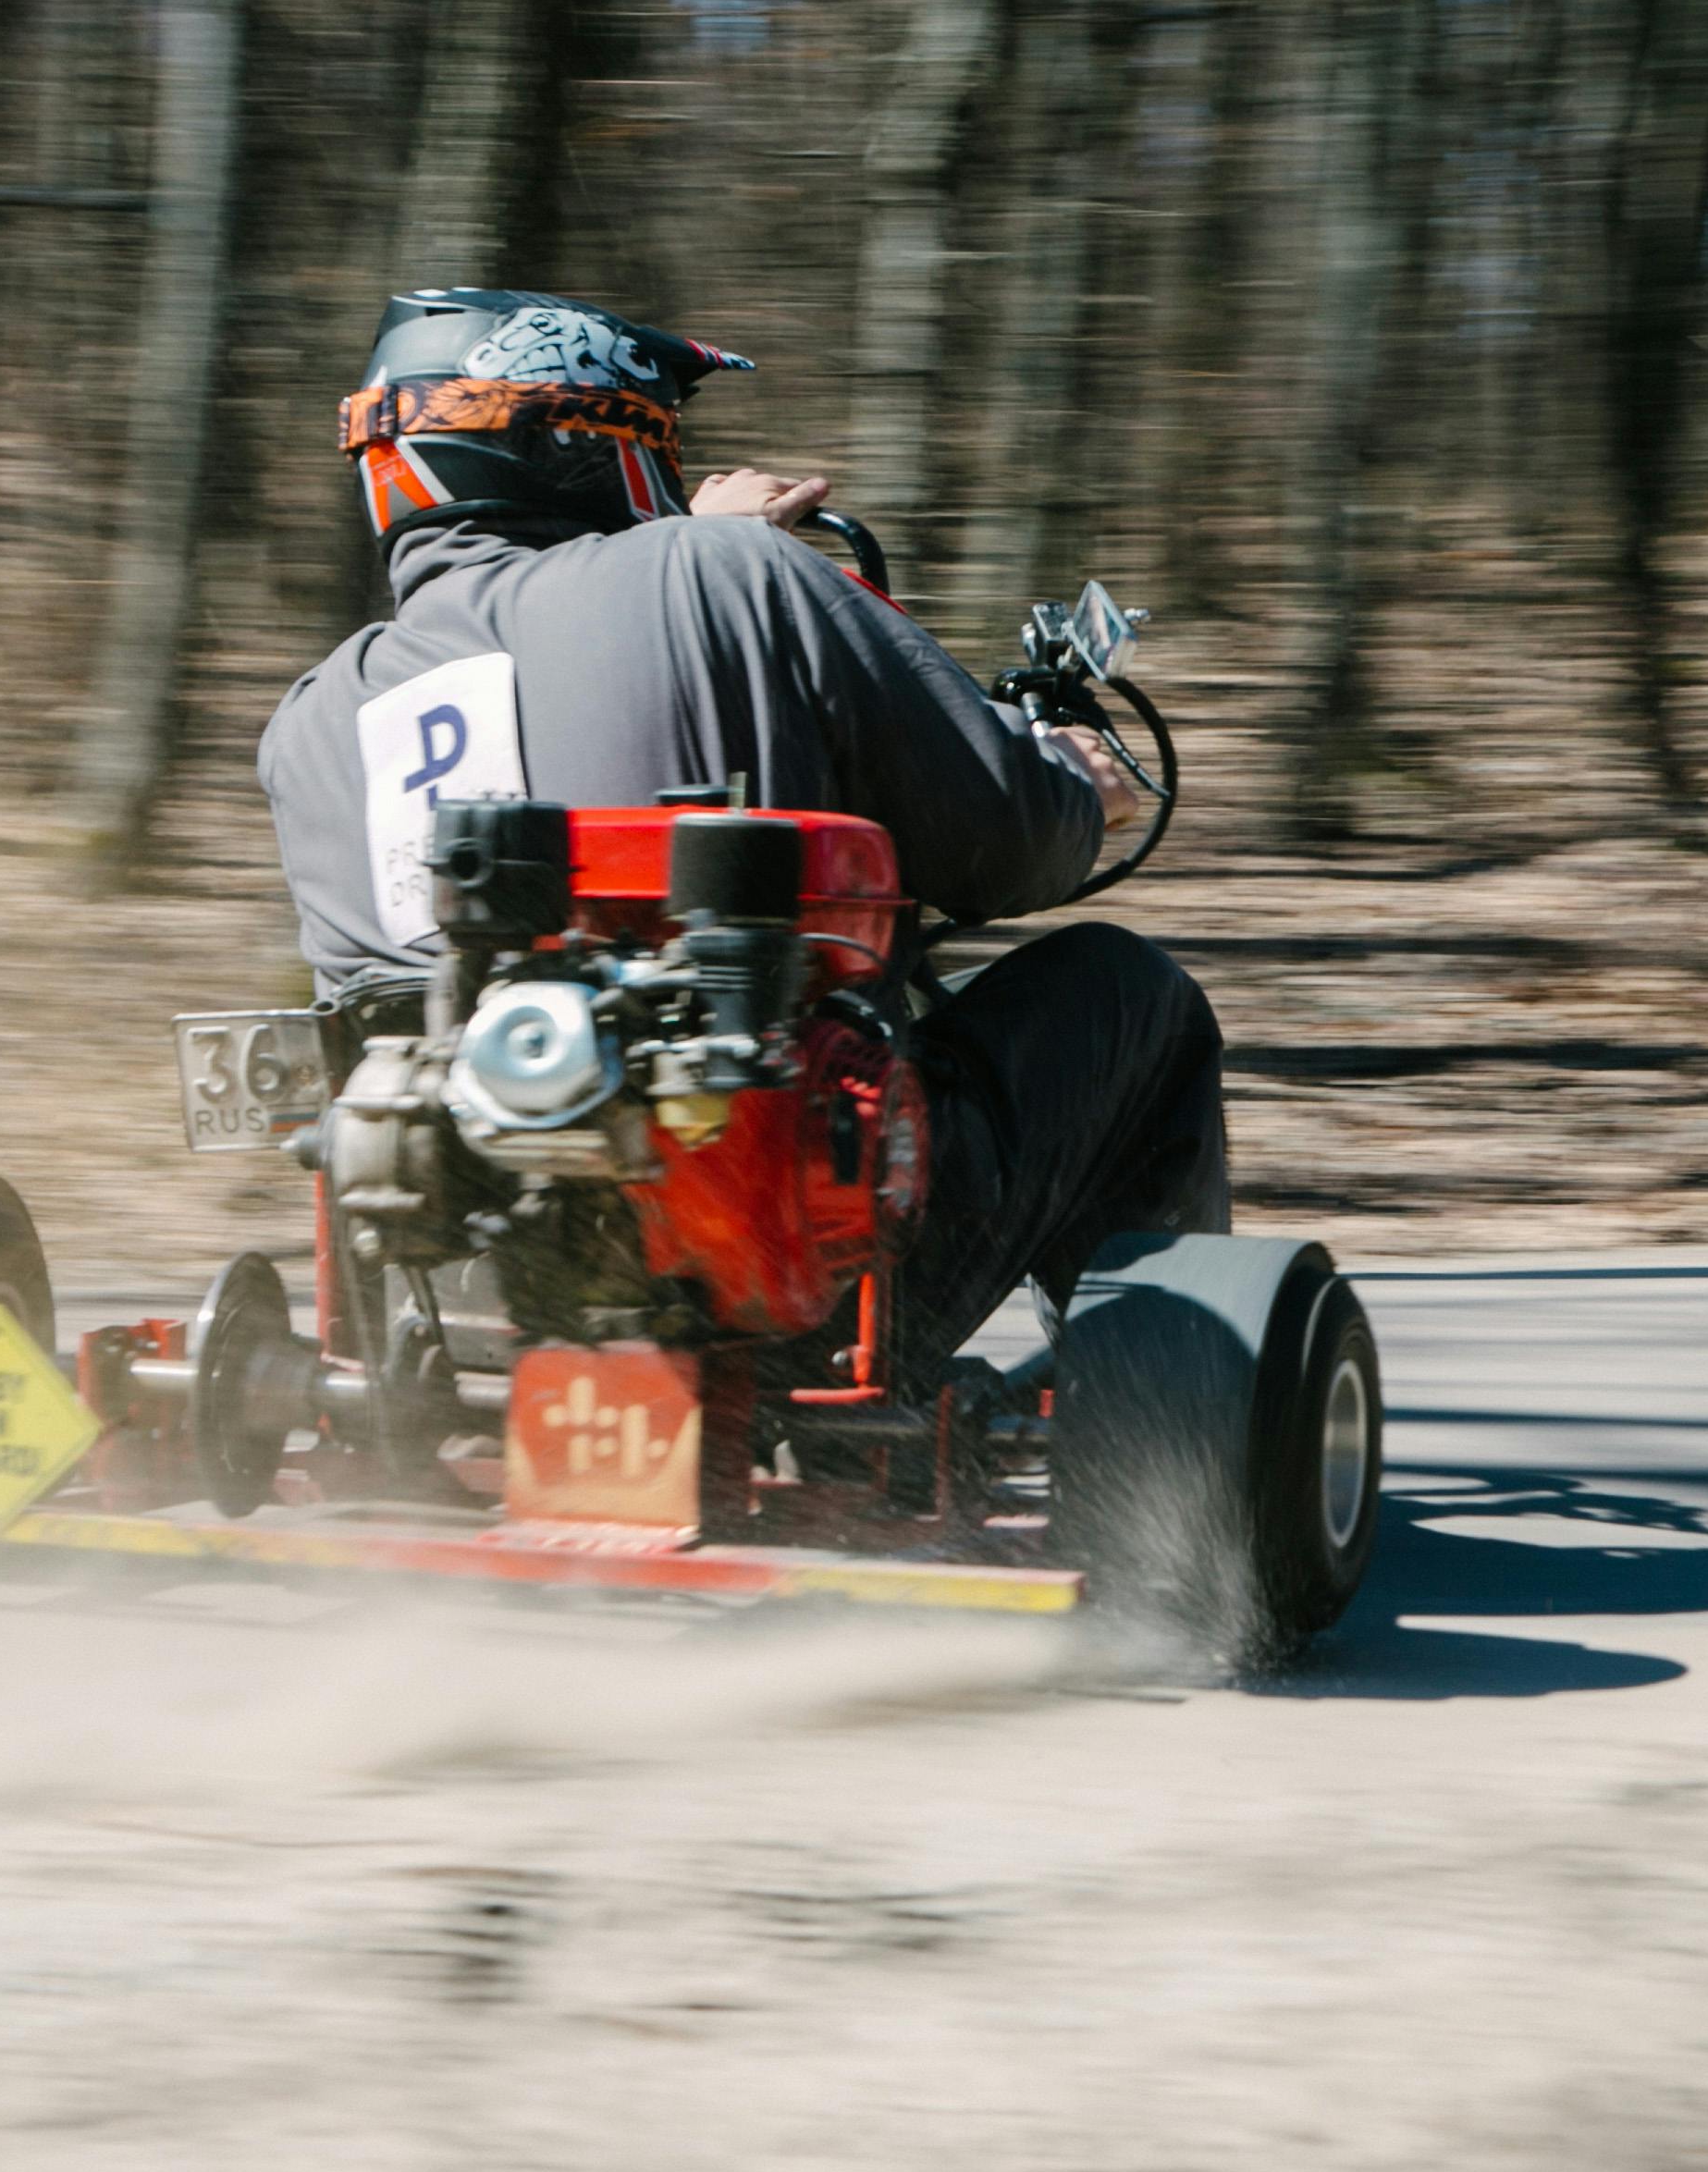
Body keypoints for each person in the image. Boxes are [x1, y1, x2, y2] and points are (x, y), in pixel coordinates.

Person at [258, 287, 1231, 1385]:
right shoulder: (724, 572)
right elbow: (1005, 845)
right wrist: (1073, 782)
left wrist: (694, 557)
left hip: (457, 1306)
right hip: (783, 1276)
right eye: (654, 441)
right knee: (1130, 995)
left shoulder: (308, 719)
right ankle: (1158, 1409)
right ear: (577, 443)